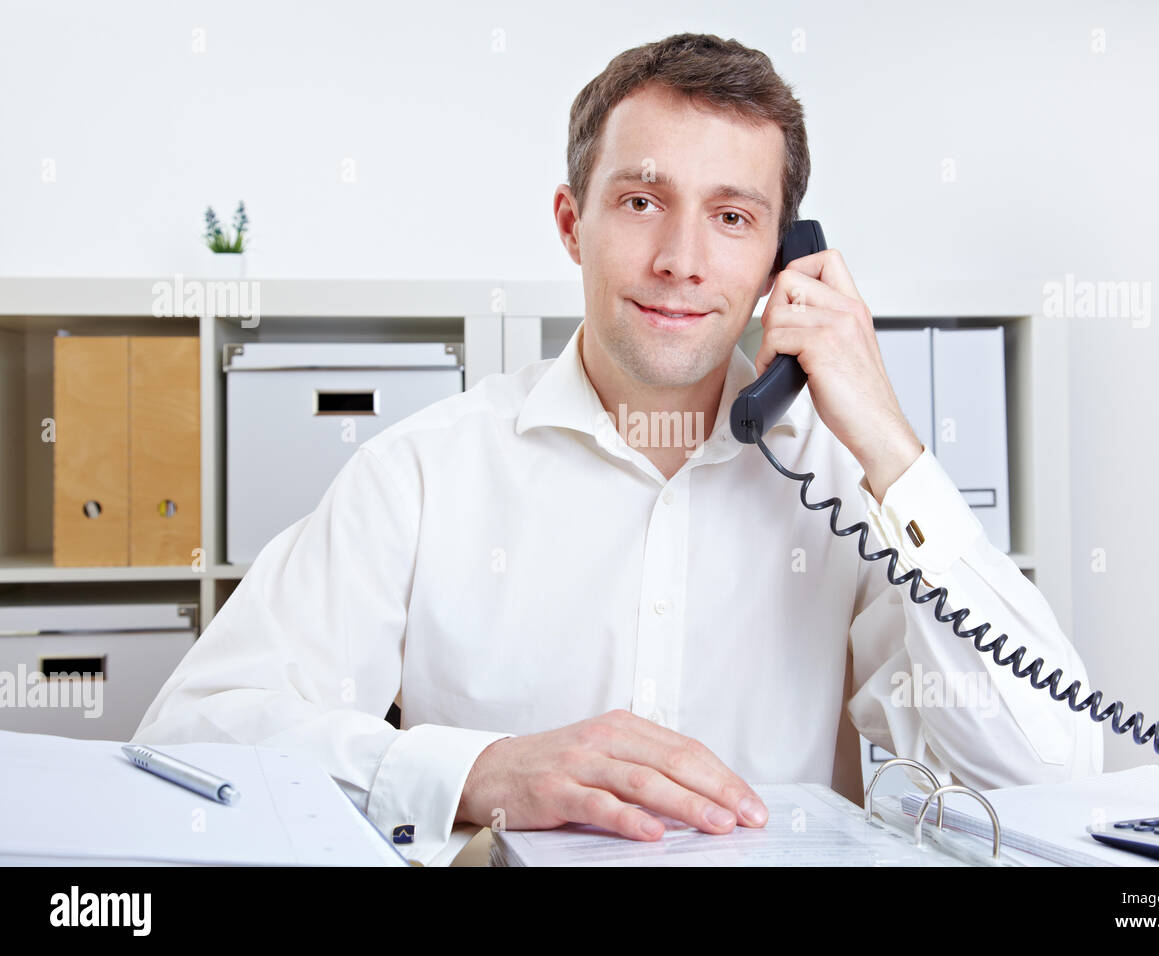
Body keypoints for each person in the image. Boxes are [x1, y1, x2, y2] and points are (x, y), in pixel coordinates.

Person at [134, 32, 1102, 866]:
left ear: (782, 259)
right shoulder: (426, 471)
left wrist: (888, 442)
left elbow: (1047, 769)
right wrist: (479, 768)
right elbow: (192, 735)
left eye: (732, 217)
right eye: (642, 200)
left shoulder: (845, 491)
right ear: (572, 224)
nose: (682, 258)